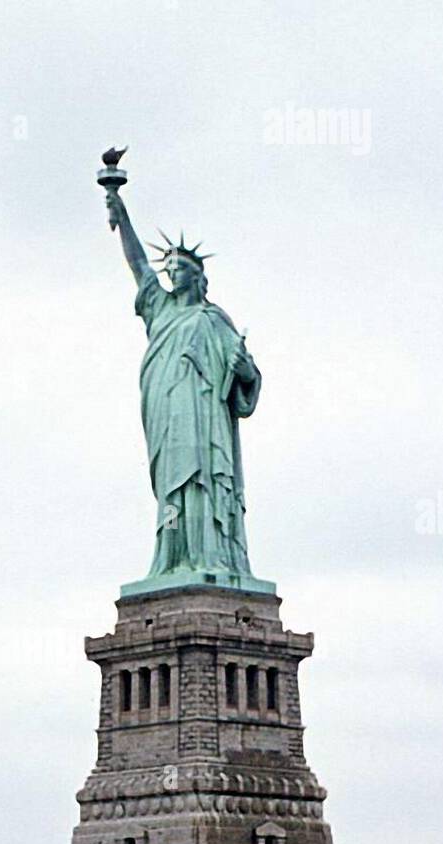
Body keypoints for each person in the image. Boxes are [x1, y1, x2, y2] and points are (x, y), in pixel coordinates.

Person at [105, 186, 261, 581]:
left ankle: (212, 557)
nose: (172, 272)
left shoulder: (214, 319)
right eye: (169, 268)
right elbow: (138, 264)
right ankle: (173, 558)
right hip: (168, 410)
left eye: (180, 268)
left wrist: (242, 369)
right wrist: (120, 213)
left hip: (207, 417)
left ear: (199, 276)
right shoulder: (159, 307)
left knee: (204, 480)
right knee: (173, 488)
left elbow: (248, 380)